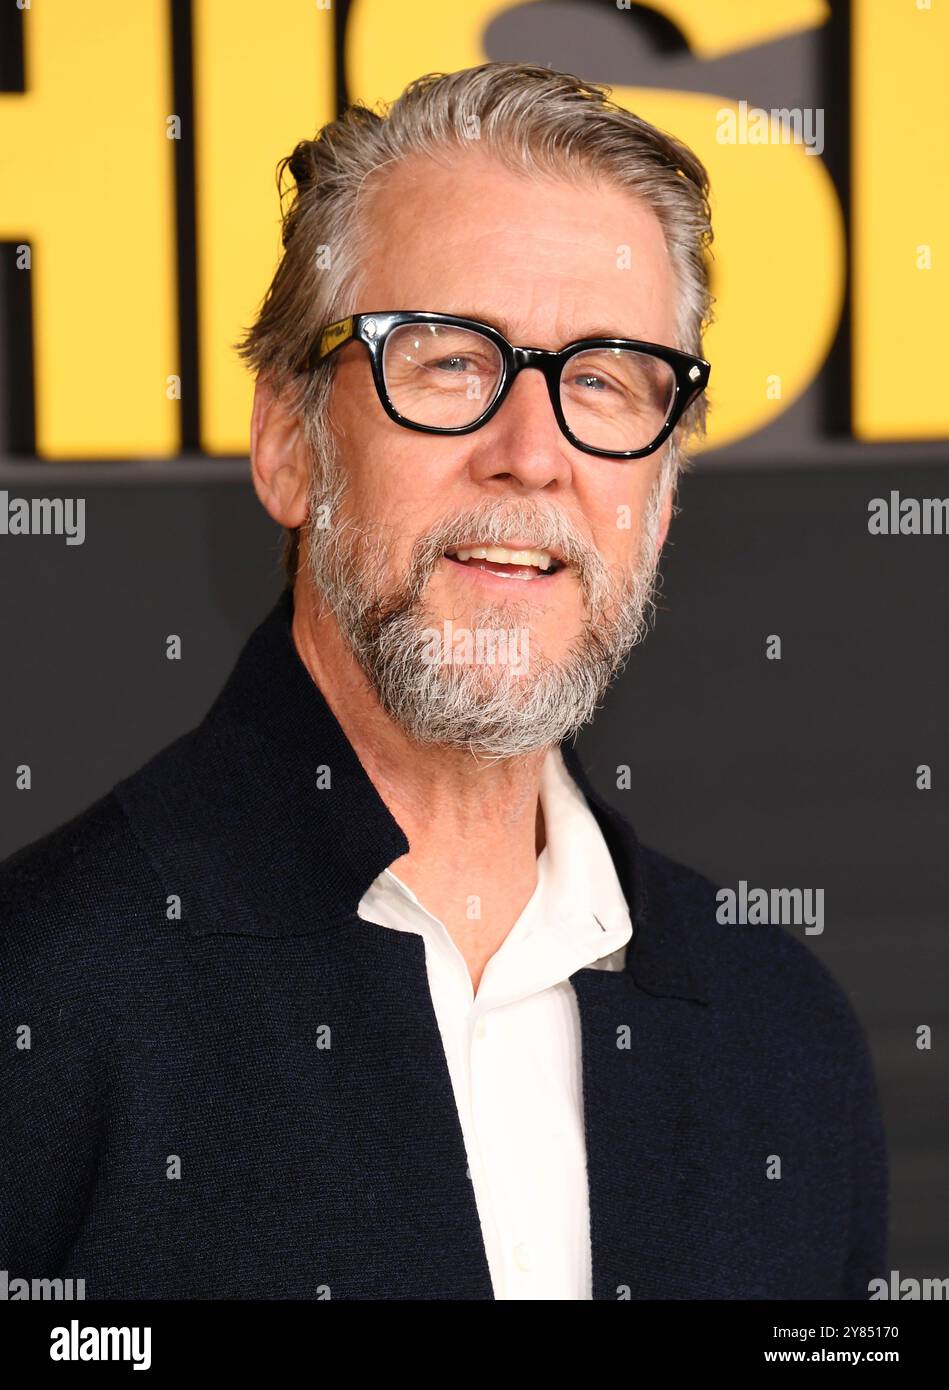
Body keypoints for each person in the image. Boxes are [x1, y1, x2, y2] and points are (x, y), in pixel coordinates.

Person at [0, 61, 886, 1300]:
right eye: (449, 363)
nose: (532, 456)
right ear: (287, 444)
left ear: (664, 493)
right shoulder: (39, 1005)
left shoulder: (785, 1046)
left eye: (601, 379)